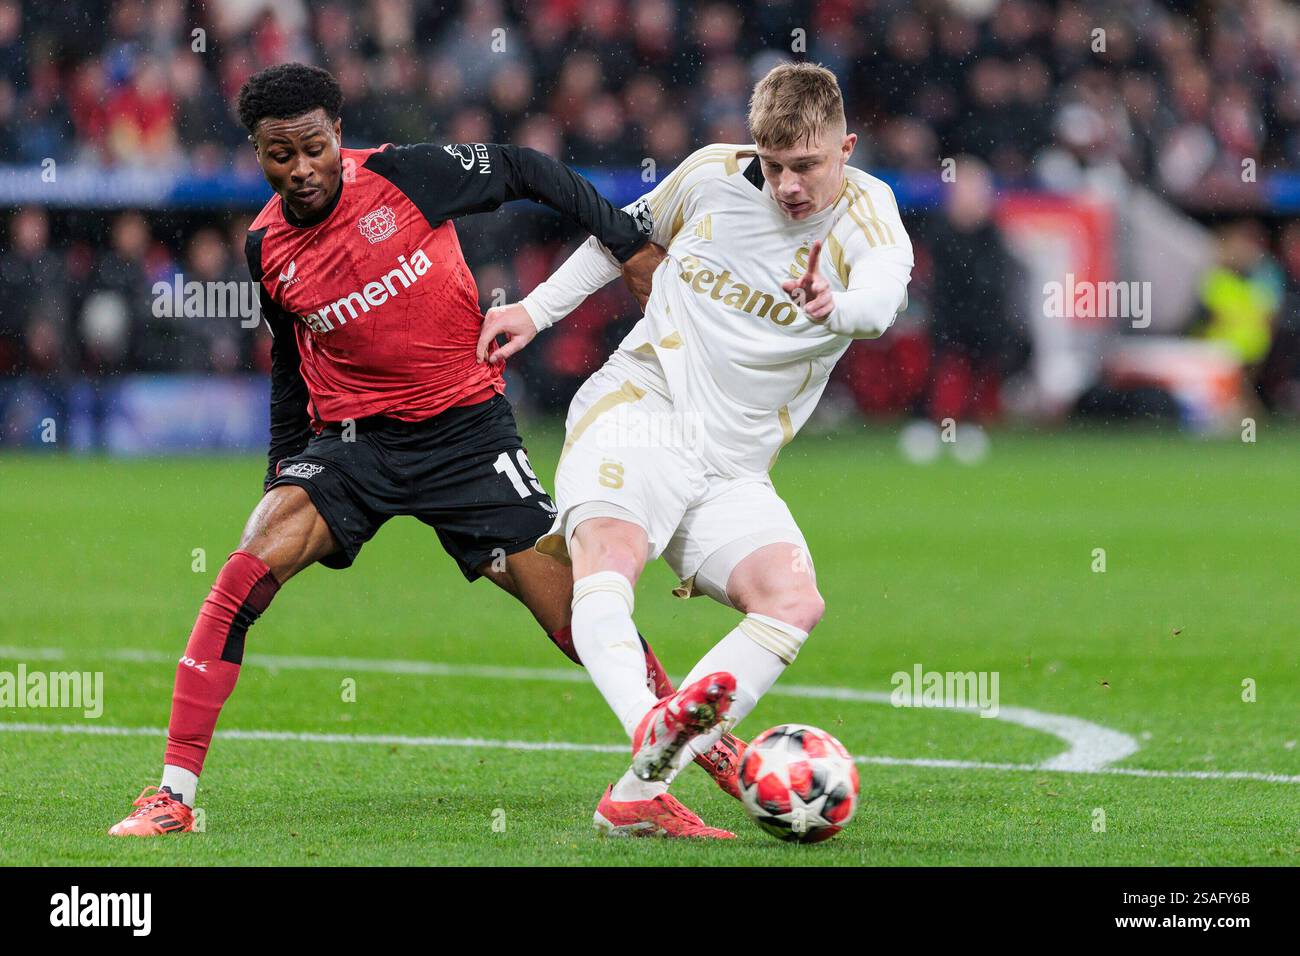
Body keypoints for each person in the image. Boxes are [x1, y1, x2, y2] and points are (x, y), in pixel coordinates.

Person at [108, 62, 741, 836]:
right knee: (242, 572)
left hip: (467, 436)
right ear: (258, 153)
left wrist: (627, 242)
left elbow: (524, 169)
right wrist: (282, 468)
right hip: (354, 446)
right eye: (280, 155)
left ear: (338, 135)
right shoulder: (266, 247)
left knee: (579, 610)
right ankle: (172, 796)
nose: (301, 169)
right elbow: (286, 359)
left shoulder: (407, 177)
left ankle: (695, 744)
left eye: (314, 148)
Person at [478, 62, 913, 837]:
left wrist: (833, 304)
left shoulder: (871, 215)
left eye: (807, 166)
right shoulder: (709, 176)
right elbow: (623, 236)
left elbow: (882, 300)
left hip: (733, 463)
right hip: (643, 405)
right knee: (608, 557)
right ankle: (655, 737)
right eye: (773, 164)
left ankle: (637, 789)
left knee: (791, 600)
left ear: (845, 147)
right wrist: (536, 312)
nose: (787, 185)